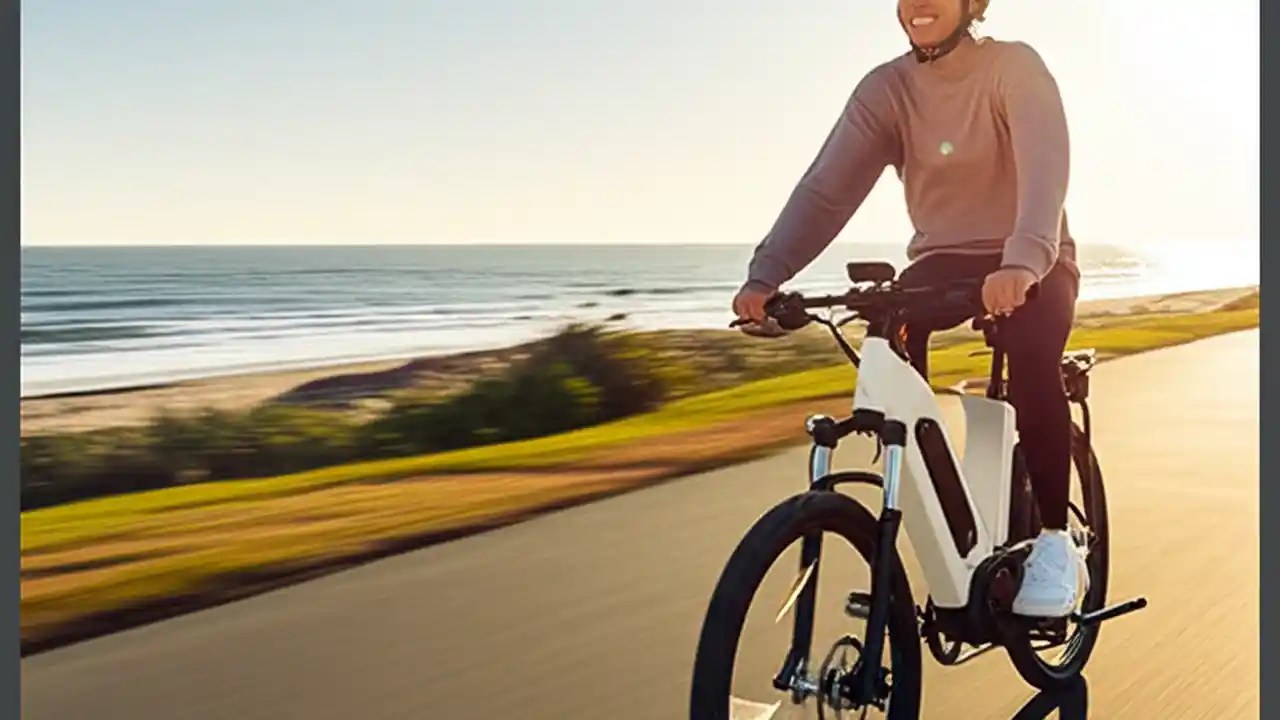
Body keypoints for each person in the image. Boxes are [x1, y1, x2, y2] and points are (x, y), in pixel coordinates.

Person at [731, 0, 1084, 618]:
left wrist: (1024, 262)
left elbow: (1046, 166)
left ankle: (1055, 540)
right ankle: (938, 518)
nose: (919, 4)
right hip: (944, 259)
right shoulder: (887, 89)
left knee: (1031, 362)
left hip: (1033, 256)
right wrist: (768, 275)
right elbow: (826, 189)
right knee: (885, 340)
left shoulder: (1013, 68)